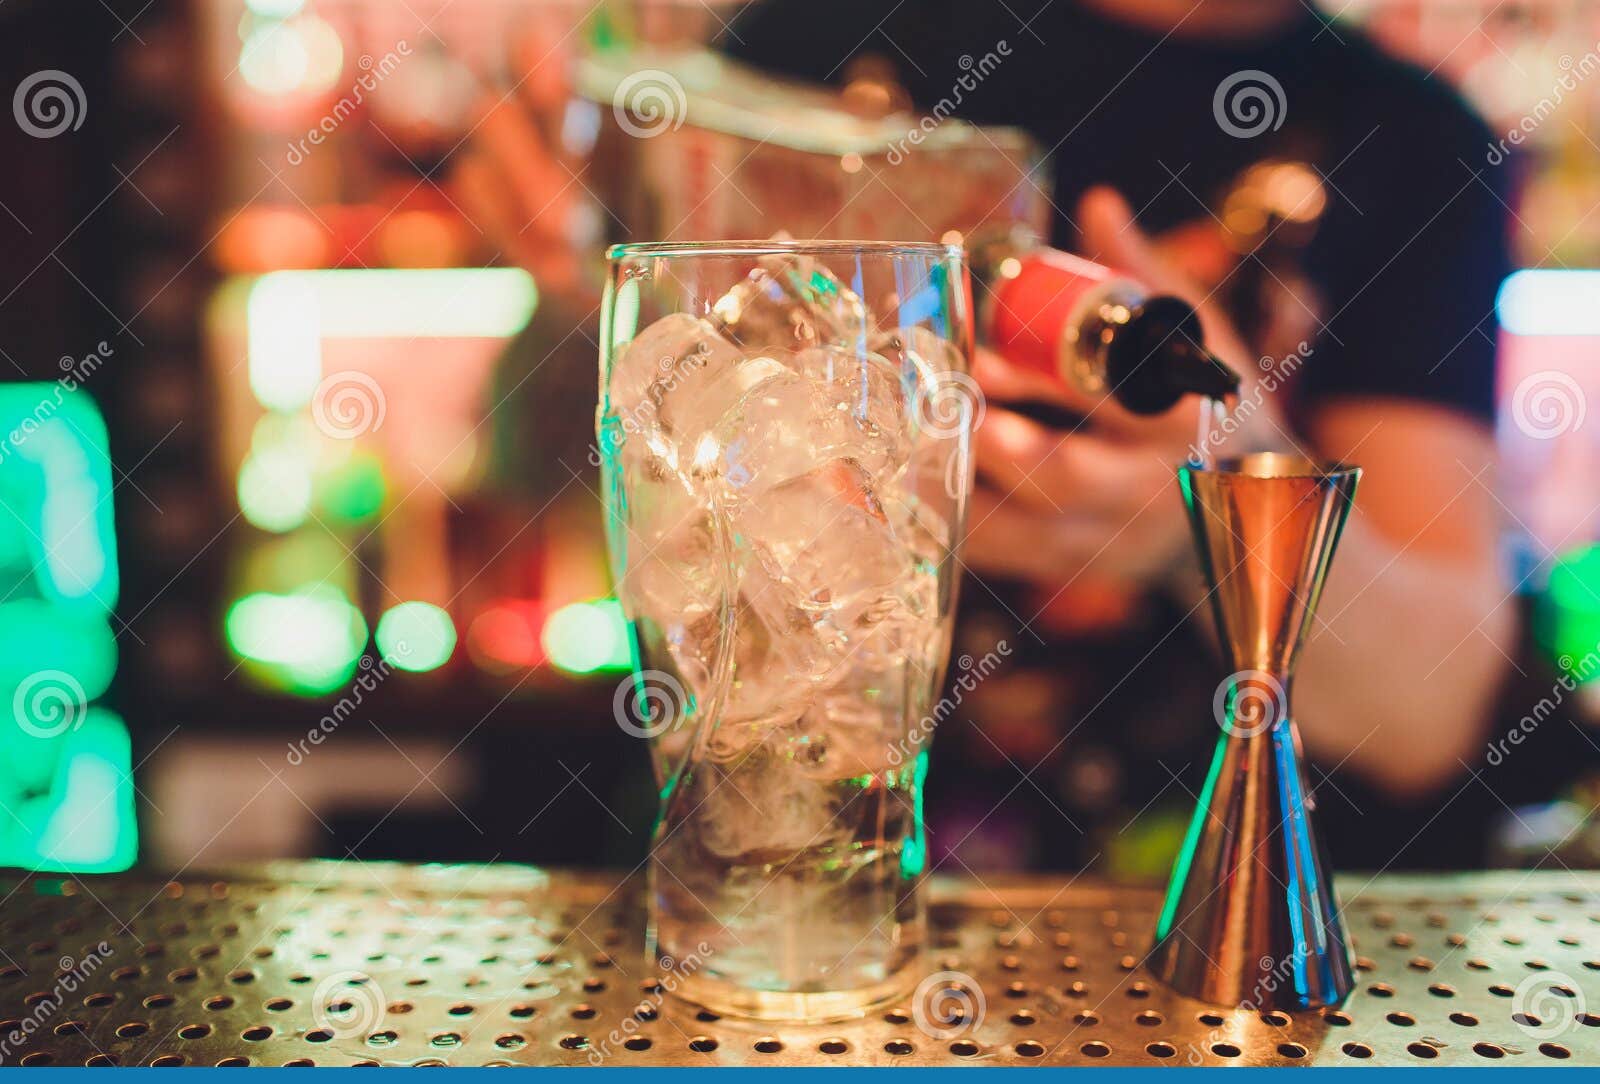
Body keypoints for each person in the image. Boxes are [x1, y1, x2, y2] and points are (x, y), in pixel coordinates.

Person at [460, 0, 1517, 872]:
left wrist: (1207, 499)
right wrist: (569, 286)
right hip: (770, 880)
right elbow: (542, 479)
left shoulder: (1406, 137)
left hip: (1186, 940)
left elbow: (1423, 711)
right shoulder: (810, 46)